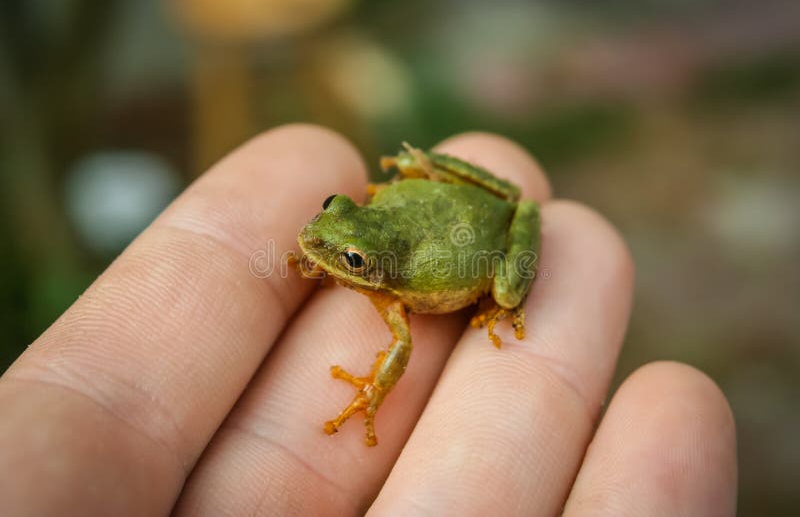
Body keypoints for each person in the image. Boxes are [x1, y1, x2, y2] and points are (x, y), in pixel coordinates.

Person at [0, 126, 737, 516]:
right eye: (330, 215)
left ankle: (498, 295)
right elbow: (349, 226)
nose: (318, 241)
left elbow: (402, 345)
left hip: (477, 244)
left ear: (368, 271)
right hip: (444, 208)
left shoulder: (396, 294)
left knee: (507, 294)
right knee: (455, 202)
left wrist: (370, 393)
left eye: (343, 257)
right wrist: (340, 240)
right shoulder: (364, 218)